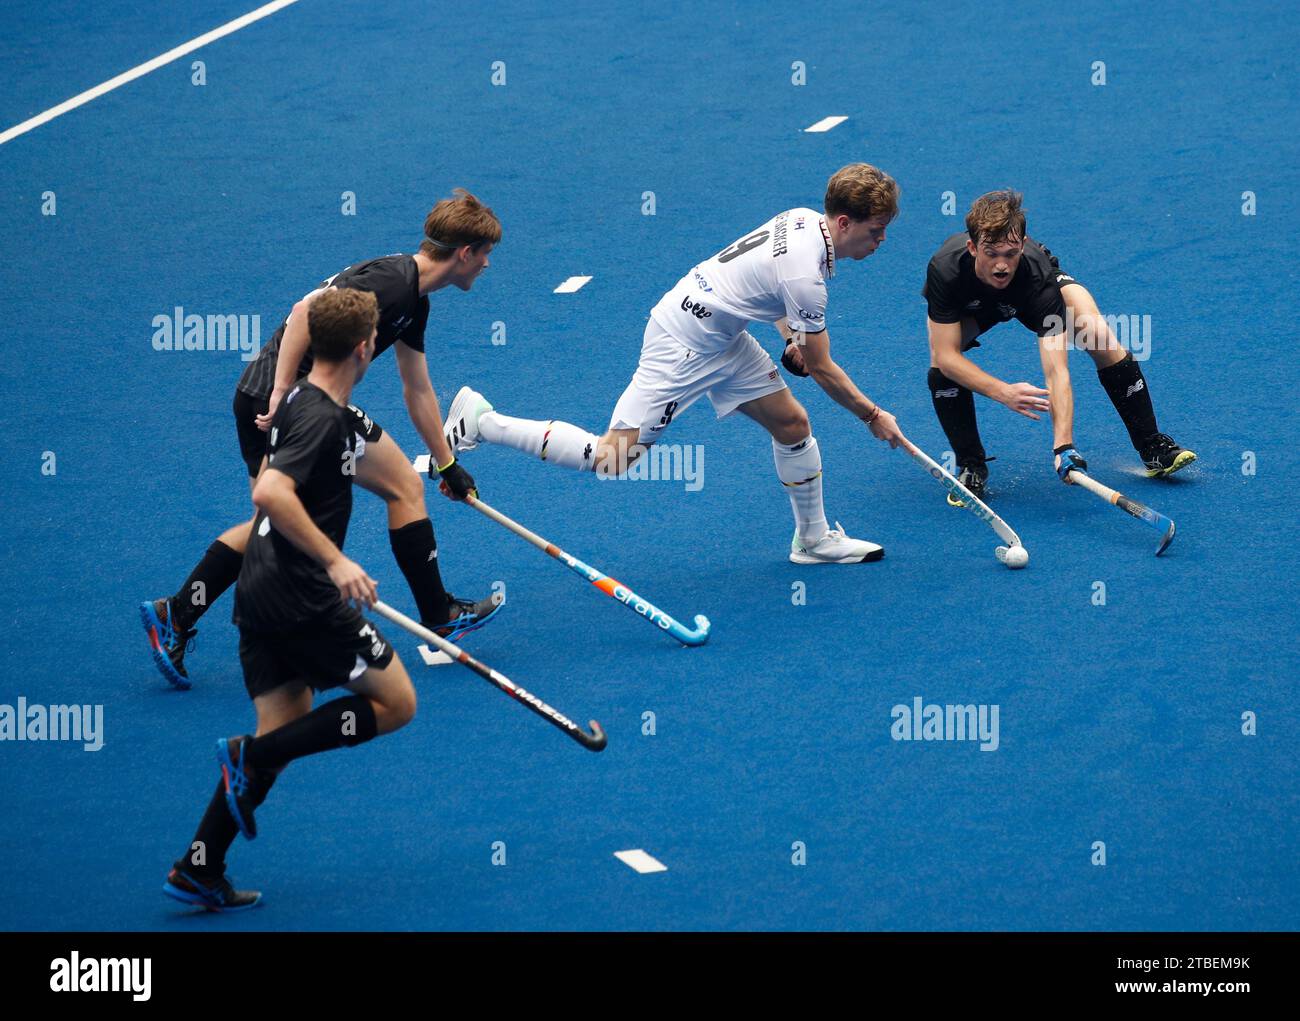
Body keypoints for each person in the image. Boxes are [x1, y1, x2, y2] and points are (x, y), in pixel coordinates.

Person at [443, 164, 906, 565]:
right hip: (682, 343)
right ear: (844, 222)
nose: (883, 239)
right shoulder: (808, 275)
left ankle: (812, 539)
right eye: (876, 230)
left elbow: (773, 289)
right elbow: (823, 368)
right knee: (612, 458)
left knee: (792, 423)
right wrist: (872, 416)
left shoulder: (804, 220)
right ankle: (484, 421)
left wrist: (789, 340)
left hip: (722, 334)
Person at [141, 190, 504, 690]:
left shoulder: (413, 299)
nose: (487, 265)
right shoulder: (393, 284)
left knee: (278, 522)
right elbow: (301, 312)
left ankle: (176, 613)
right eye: (485, 254)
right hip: (287, 406)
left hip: (285, 402)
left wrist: (447, 464)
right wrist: (285, 392)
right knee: (390, 489)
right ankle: (436, 612)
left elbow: (416, 387)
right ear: (464, 252)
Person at [165, 288, 417, 910]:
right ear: (365, 349)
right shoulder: (321, 417)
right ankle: (247, 756)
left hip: (259, 591)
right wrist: (336, 561)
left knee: (285, 724)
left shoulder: (299, 398)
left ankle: (200, 864)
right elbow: (270, 493)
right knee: (397, 703)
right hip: (303, 598)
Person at [922, 189, 1195, 504]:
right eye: (991, 254)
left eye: (1010, 254)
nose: (1001, 265)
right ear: (972, 247)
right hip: (973, 305)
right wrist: (1003, 392)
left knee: (1098, 334)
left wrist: (1064, 446)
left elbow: (1056, 371)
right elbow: (946, 356)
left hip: (1030, 294)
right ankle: (971, 466)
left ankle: (1152, 447)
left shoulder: (1037, 275)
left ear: (1023, 247)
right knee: (942, 365)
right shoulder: (945, 270)